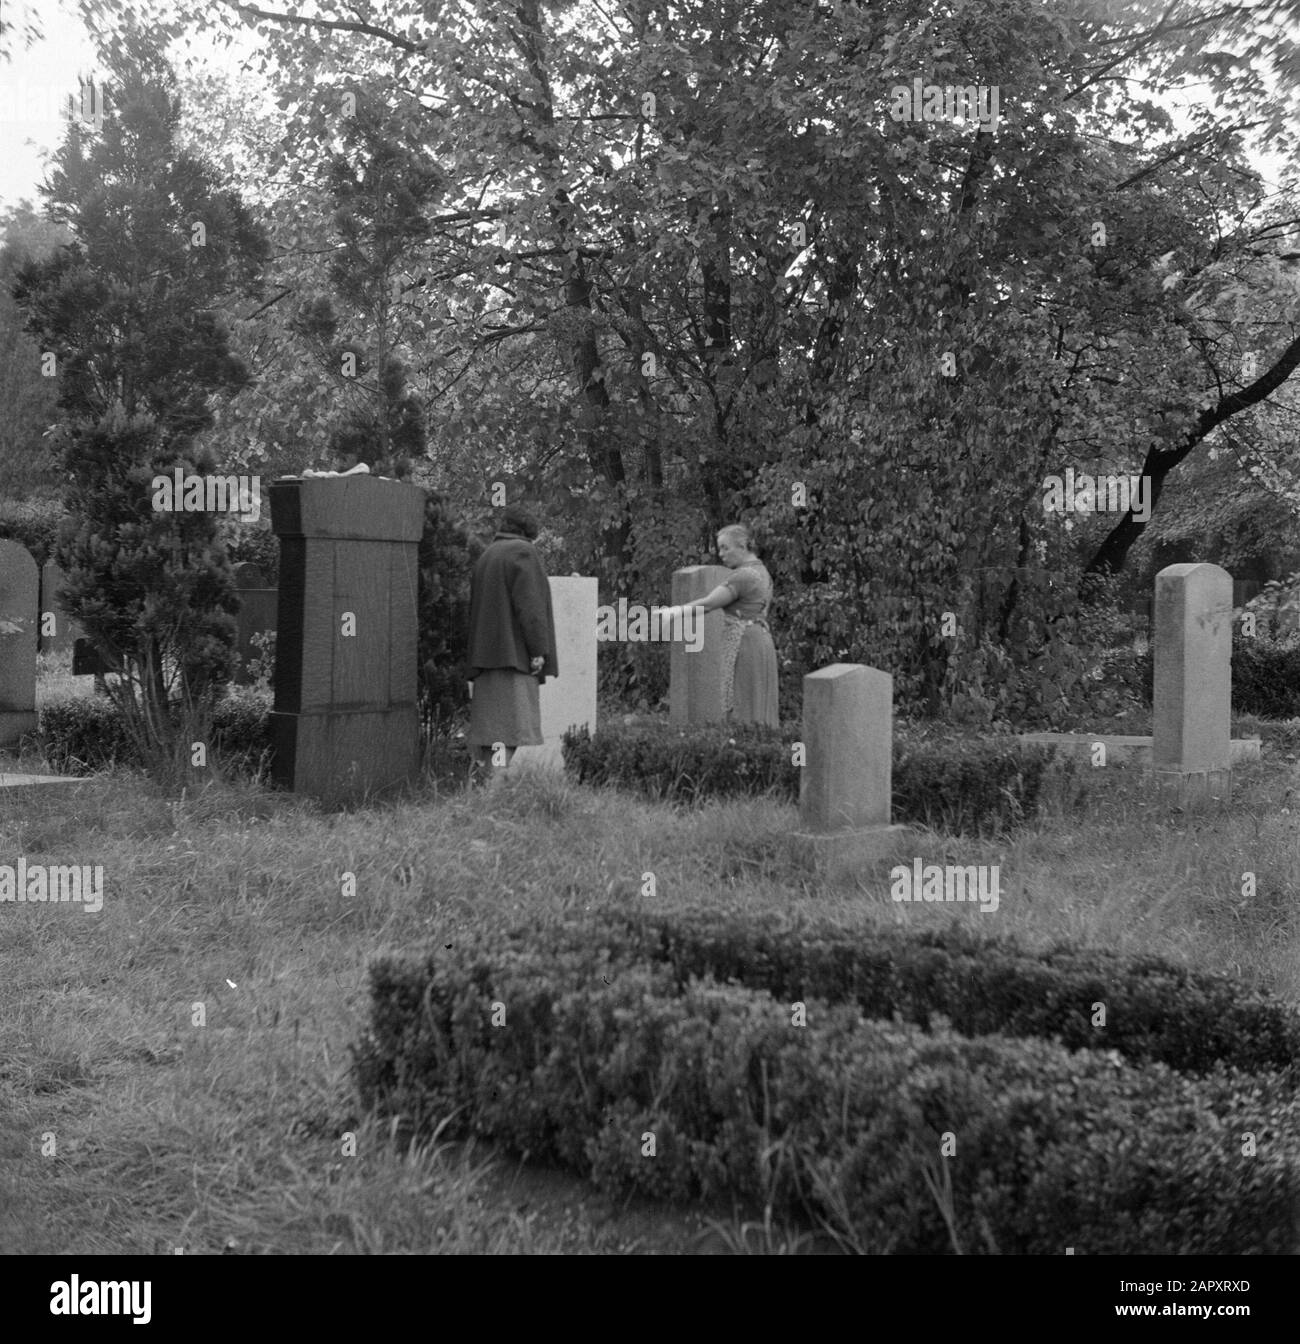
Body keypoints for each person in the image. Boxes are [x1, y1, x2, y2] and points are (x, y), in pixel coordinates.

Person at [465, 505, 558, 786]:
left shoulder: (487, 555)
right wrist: (539, 650)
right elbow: (530, 608)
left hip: (485, 659)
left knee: (492, 731)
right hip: (513, 657)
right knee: (507, 732)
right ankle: (493, 790)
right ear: (529, 533)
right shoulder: (522, 552)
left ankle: (479, 787)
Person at [660, 523, 779, 727]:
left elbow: (709, 603)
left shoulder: (744, 576)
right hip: (760, 640)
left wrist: (674, 612)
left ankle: (743, 750)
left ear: (742, 546)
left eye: (726, 547)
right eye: (719, 548)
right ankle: (759, 749)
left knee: (742, 701)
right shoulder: (762, 571)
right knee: (757, 702)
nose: (721, 554)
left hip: (744, 643)